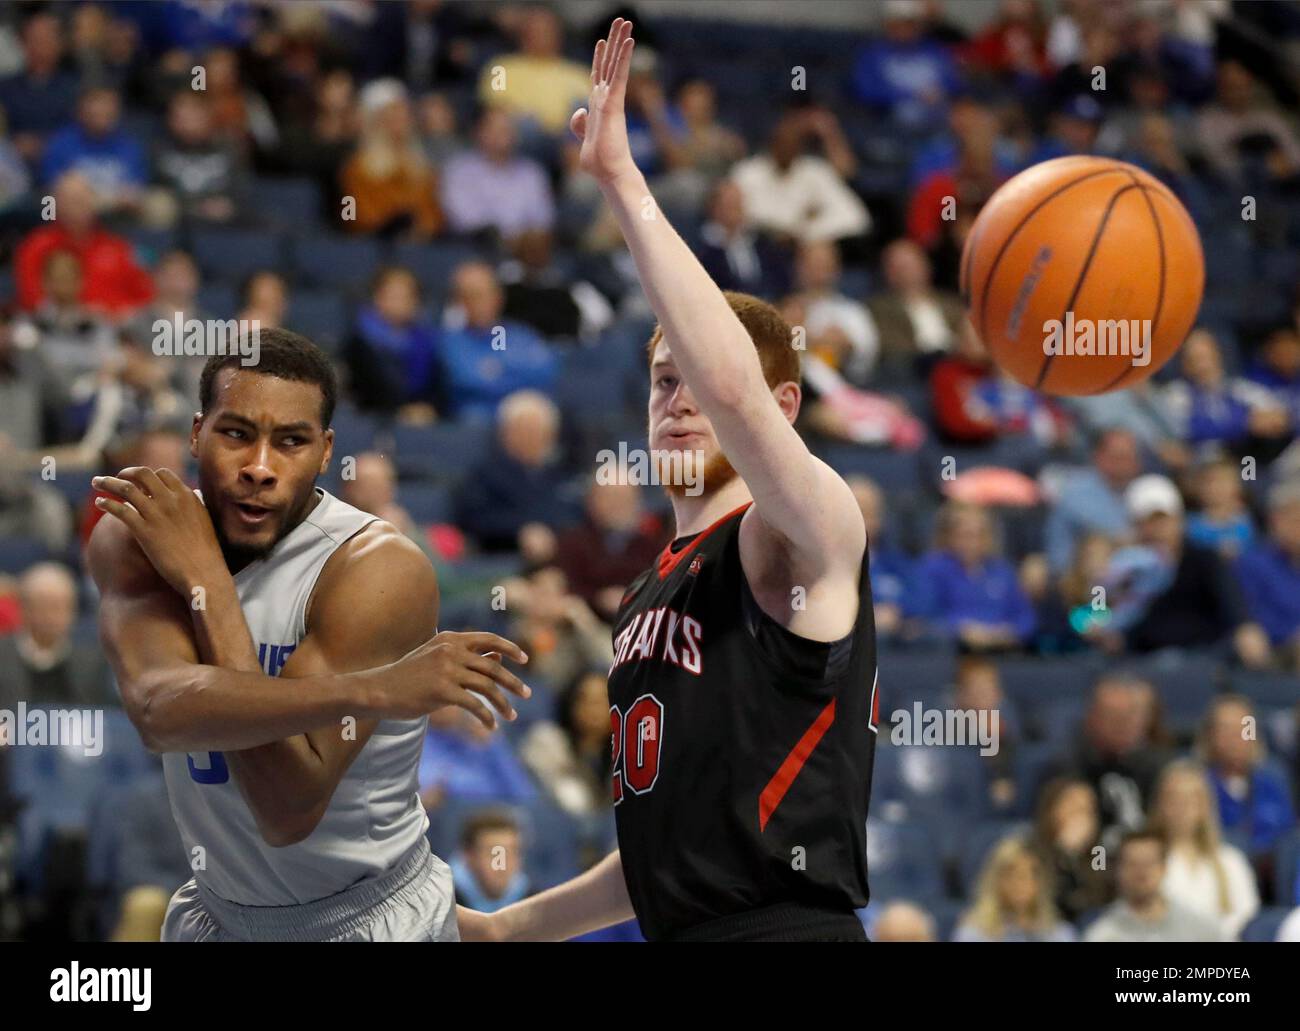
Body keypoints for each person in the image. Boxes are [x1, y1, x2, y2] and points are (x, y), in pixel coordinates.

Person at [464, 20, 877, 943]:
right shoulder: (655, 579)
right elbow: (662, 847)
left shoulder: (804, 530)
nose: (680, 401)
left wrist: (621, 180)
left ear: (782, 401)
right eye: (660, 381)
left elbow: (730, 384)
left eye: (698, 381)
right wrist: (502, 931)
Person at [87, 328, 531, 941]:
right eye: (236, 434)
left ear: (325, 454)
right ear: (196, 433)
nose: (259, 469)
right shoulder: (137, 541)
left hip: (365, 917)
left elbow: (286, 807)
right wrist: (371, 690)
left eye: (290, 442)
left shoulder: (378, 569)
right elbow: (159, 713)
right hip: (216, 912)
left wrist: (206, 586)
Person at [1148, 760, 1260, 940]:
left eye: (1191, 799)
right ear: (1160, 805)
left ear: (1205, 806)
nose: (1182, 808)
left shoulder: (1231, 861)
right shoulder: (1144, 862)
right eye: (1173, 799)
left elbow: (1247, 920)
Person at [1083, 830, 1226, 942]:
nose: (1141, 872)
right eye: (1133, 864)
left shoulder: (1200, 926)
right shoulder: (1103, 935)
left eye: (1149, 863)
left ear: (1164, 868)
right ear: (1118, 871)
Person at [952, 836, 1076, 942]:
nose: (1020, 883)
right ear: (996, 880)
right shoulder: (973, 934)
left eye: (1030, 875)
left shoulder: (1060, 935)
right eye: (1011, 874)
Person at [1234, 479, 1300, 672]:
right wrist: (1293, 634)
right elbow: (1251, 615)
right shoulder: (1252, 563)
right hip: (1277, 651)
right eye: (1296, 520)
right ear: (1276, 521)